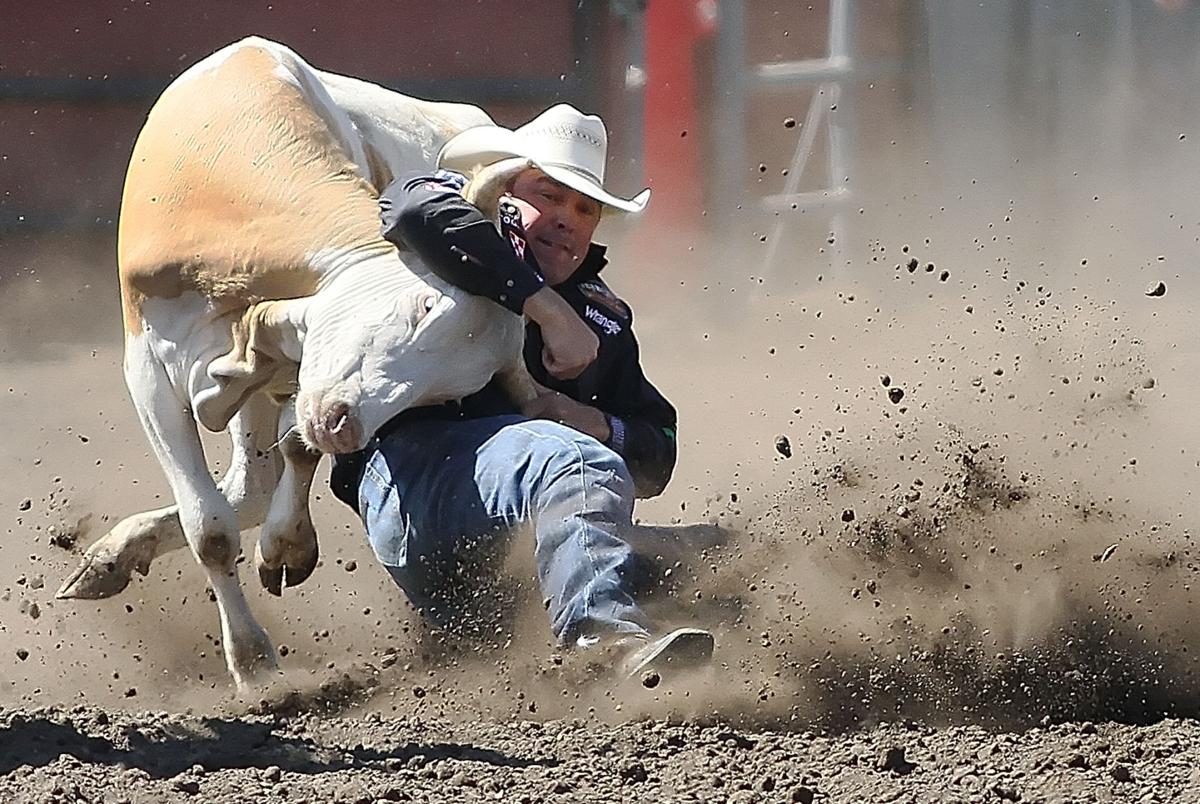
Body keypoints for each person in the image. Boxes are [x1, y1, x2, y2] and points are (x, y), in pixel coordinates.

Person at [329, 104, 712, 679]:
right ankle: (605, 644)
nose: (566, 219)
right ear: (504, 188)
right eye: (549, 195)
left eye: (585, 208)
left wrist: (593, 421)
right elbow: (411, 207)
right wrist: (549, 312)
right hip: (414, 478)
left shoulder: (604, 318)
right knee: (577, 466)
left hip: (513, 547)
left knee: (727, 554)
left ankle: (765, 674)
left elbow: (659, 445)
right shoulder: (456, 228)